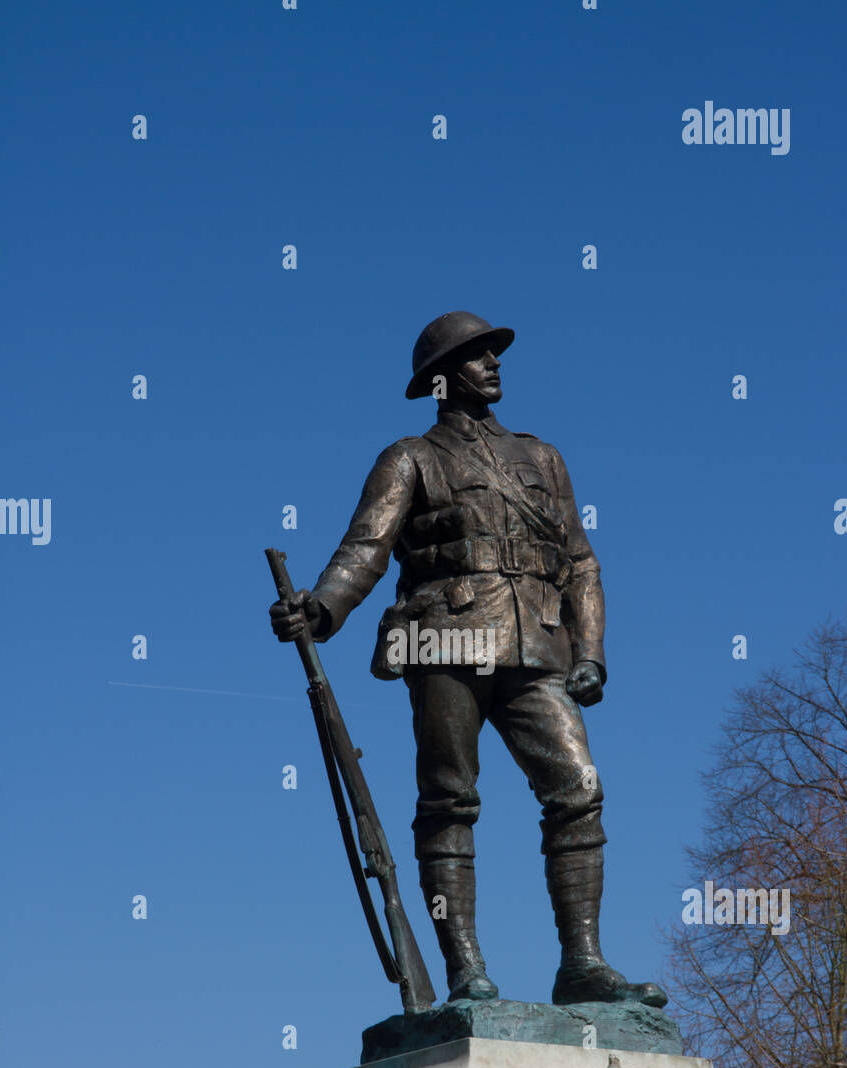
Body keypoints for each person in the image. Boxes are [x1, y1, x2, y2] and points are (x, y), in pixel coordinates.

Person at [270, 311, 666, 1009]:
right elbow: (366, 548)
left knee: (578, 789)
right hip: (445, 639)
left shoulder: (543, 457)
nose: (494, 363)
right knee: (450, 798)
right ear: (441, 380)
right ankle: (466, 971)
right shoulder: (409, 459)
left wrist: (592, 650)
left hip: (539, 644)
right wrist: (323, 608)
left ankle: (582, 963)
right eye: (476, 355)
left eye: (494, 353)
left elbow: (579, 561)